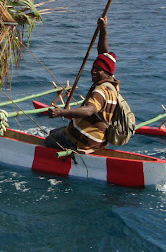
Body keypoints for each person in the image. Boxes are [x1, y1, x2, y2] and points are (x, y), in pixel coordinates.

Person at [44, 16, 119, 153]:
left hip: (87, 138)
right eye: (93, 67)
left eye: (97, 69)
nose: (93, 71)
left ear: (106, 71)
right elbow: (103, 54)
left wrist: (62, 112)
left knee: (49, 140)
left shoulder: (101, 91)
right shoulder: (112, 82)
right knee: (54, 131)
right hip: (99, 138)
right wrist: (103, 30)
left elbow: (90, 110)